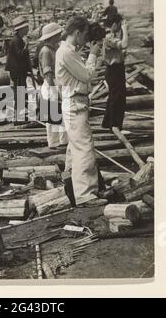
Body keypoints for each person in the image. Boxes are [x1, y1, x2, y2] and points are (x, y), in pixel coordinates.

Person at [55, 16, 101, 205]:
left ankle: (70, 186)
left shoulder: (66, 51)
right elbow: (87, 74)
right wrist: (93, 55)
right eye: (85, 35)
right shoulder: (66, 52)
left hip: (73, 102)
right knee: (84, 148)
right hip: (75, 103)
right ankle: (85, 195)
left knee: (74, 148)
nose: (86, 39)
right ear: (77, 32)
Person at [38, 22, 68, 149]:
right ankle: (53, 143)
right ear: (53, 36)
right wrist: (53, 89)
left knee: (60, 113)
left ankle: (63, 141)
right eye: (58, 35)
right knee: (52, 115)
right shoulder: (46, 51)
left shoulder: (54, 49)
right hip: (50, 83)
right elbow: (47, 72)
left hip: (57, 82)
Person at [102, 13, 129, 131]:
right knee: (118, 98)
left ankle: (108, 123)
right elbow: (124, 44)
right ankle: (115, 125)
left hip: (115, 69)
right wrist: (125, 30)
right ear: (114, 24)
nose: (119, 27)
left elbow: (118, 50)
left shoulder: (110, 35)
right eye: (119, 25)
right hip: (114, 70)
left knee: (114, 96)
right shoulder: (109, 36)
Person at [5, 16, 32, 122]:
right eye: (26, 27)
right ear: (21, 29)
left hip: (20, 70)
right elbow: (20, 55)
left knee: (21, 92)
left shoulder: (19, 39)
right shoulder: (16, 41)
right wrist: (26, 46)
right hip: (17, 71)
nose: (28, 29)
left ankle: (21, 115)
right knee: (20, 92)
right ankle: (19, 117)